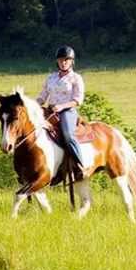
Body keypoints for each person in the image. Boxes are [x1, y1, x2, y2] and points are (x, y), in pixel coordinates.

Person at [36, 45, 86, 180]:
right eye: (61, 60)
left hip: (67, 111)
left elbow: (78, 100)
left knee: (68, 135)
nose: (63, 62)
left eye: (66, 60)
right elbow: (42, 96)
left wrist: (62, 106)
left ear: (72, 61)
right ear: (57, 61)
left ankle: (79, 166)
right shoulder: (51, 78)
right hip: (50, 110)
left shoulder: (76, 78)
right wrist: (32, 105)